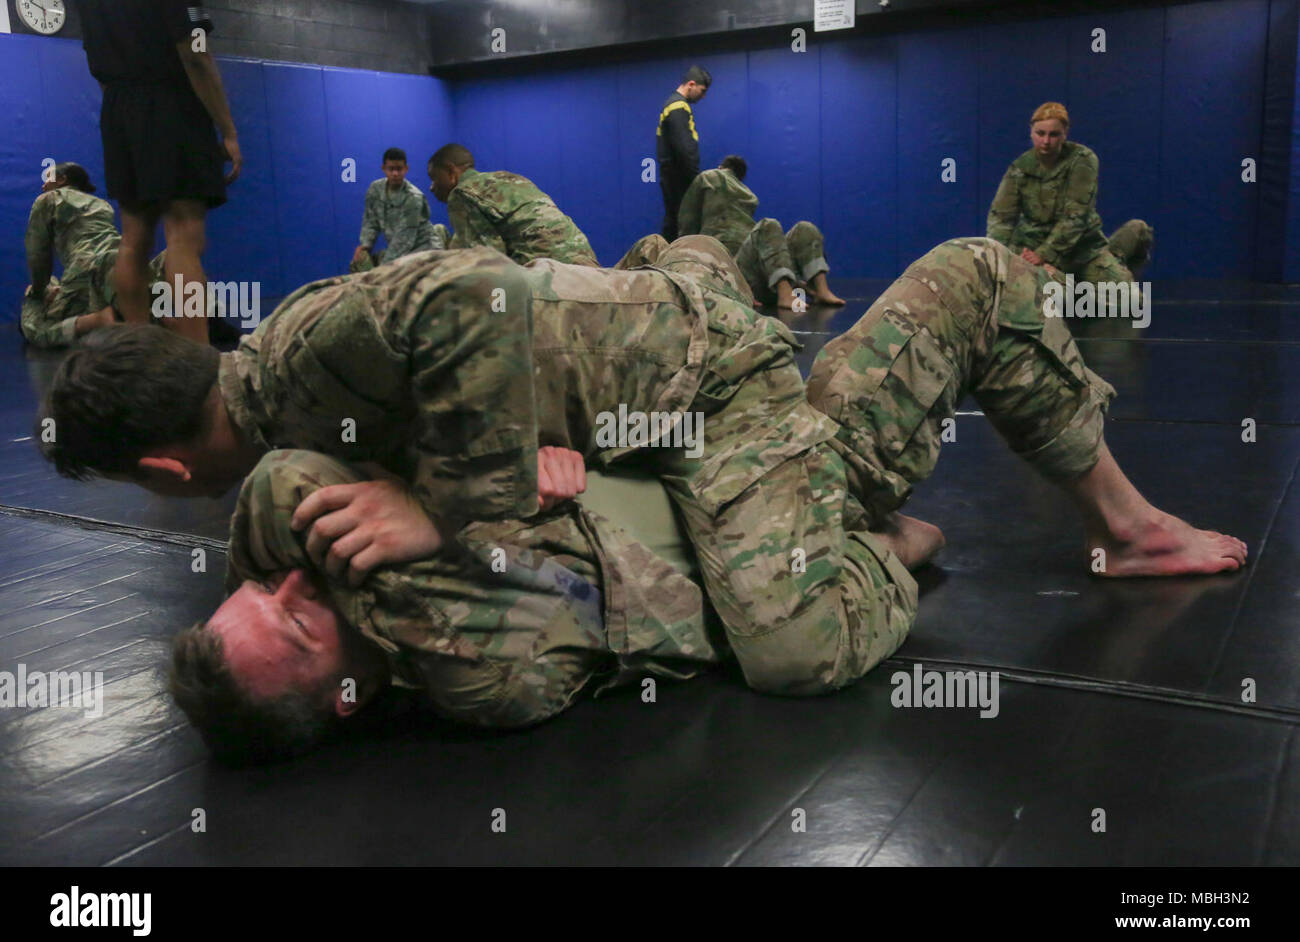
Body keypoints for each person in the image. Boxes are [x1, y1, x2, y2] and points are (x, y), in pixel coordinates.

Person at [41, 237, 1244, 701]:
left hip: (713, 394)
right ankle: (699, 267)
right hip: (639, 426)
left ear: (159, 464)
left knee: (790, 645)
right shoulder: (283, 446)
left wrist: (450, 501)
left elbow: (484, 292)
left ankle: (935, 529)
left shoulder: (299, 363)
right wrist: (531, 475)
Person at [170, 448, 722, 763]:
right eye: (296, 622)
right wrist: (474, 497)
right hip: (719, 516)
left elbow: (271, 482)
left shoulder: (348, 567)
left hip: (630, 442)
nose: (298, 579)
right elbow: (285, 479)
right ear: (349, 695)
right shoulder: (479, 679)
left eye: (266, 585)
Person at [78, 0, 242, 344]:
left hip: (117, 109)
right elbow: (196, 50)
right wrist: (227, 129)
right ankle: (198, 357)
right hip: (172, 102)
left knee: (133, 240)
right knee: (185, 236)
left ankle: (142, 355)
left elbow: (95, 62)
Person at [987, 102, 1153, 286]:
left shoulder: (1082, 160)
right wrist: (999, 259)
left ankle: (1113, 260)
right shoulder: (1019, 168)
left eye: (1054, 134)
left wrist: (1044, 254)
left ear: (1065, 133)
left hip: (1081, 251)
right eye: (1040, 133)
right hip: (1032, 251)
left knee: (1125, 299)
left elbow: (1076, 216)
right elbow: (1001, 219)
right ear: (1031, 132)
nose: (1046, 141)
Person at [677, 154, 844, 309]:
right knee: (802, 228)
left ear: (721, 167)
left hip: (737, 277)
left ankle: (788, 292)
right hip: (747, 278)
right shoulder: (747, 195)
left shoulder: (708, 177)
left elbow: (687, 225)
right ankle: (818, 289)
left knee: (776, 226)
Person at [427, 144, 598, 267]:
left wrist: (497, 310)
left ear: (451, 172)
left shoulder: (462, 194)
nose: (432, 187)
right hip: (586, 265)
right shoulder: (511, 178)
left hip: (546, 274)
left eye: (434, 178)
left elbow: (491, 265)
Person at [21, 163, 123, 347]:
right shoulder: (102, 204)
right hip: (123, 263)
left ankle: (98, 320)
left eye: (48, 179)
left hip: (86, 267)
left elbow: (38, 255)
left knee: (38, 330)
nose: (43, 186)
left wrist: (37, 292)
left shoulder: (49, 199)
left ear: (62, 179)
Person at [351, 148, 440, 273]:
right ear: (383, 168)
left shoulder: (413, 197)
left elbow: (404, 240)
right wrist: (365, 246)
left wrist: (383, 270)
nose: (395, 173)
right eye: (391, 169)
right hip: (399, 252)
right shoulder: (375, 190)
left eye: (399, 169)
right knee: (360, 263)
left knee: (388, 279)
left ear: (406, 169)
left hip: (424, 251)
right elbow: (370, 221)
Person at [657, 65, 711, 241]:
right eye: (702, 91)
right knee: (680, 227)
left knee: (674, 223)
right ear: (691, 84)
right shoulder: (678, 106)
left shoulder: (674, 105)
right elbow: (684, 149)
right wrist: (696, 180)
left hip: (674, 178)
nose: (703, 96)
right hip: (679, 179)